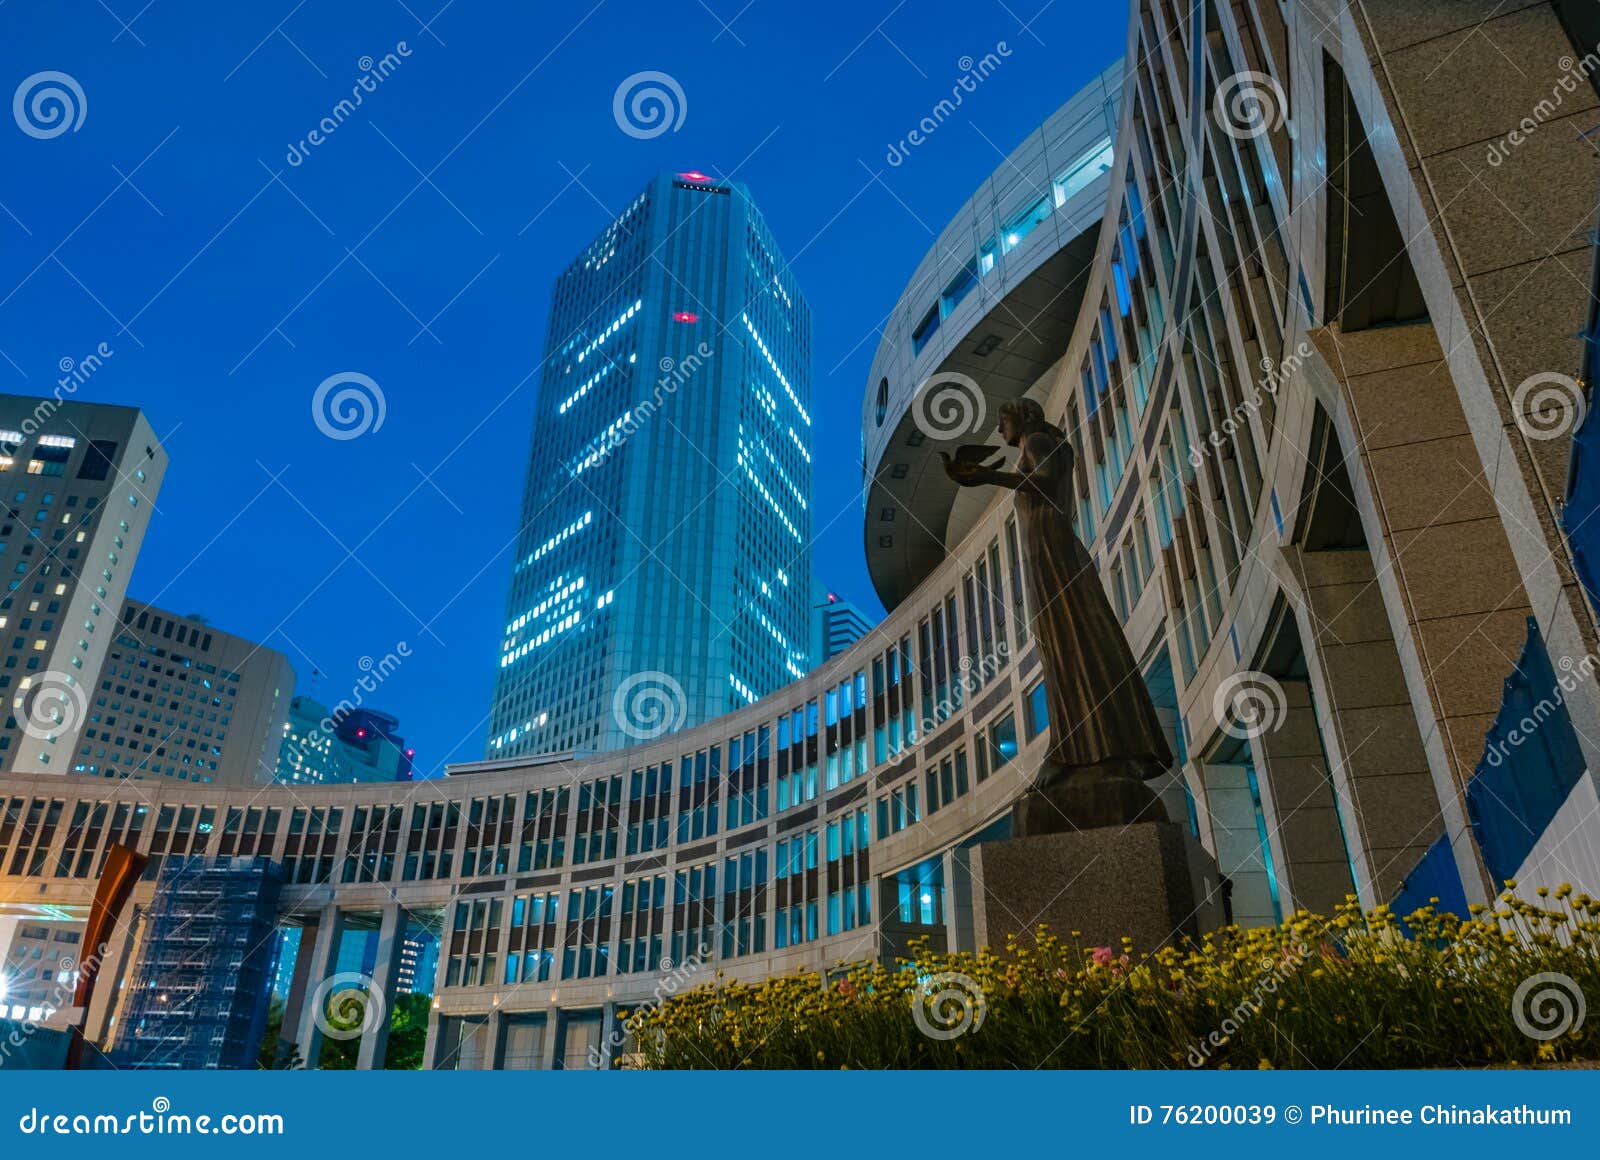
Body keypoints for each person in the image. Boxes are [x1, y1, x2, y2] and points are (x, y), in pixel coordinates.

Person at [942, 397, 1172, 835]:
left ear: (1024, 416)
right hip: (1048, 558)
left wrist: (989, 476)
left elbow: (1045, 481)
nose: (1000, 429)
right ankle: (1076, 748)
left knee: (1069, 649)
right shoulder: (1039, 443)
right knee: (1065, 651)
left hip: (1053, 556)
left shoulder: (1037, 440)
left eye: (1003, 419)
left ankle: (1077, 752)